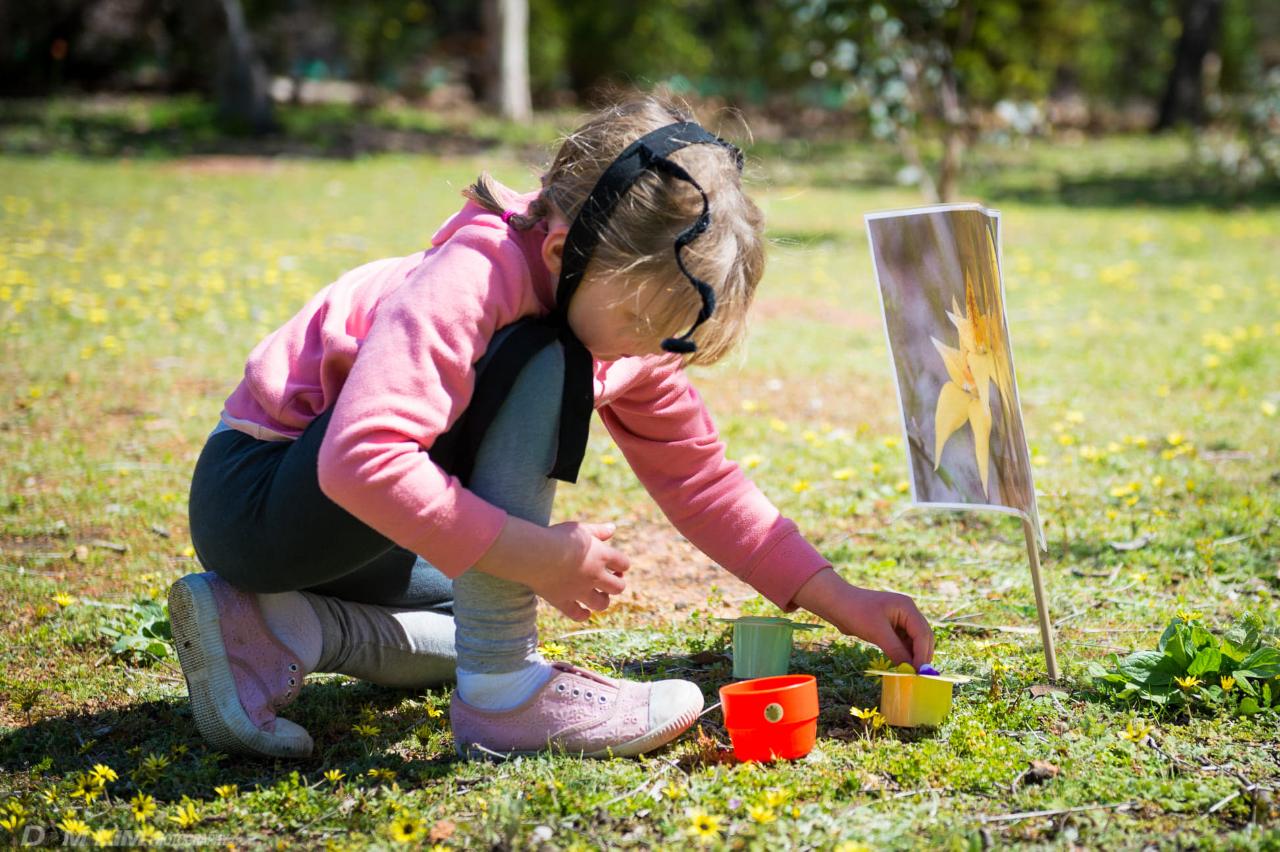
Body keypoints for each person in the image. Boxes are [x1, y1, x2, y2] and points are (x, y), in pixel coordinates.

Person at [169, 91, 934, 762]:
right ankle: (503, 696)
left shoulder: (609, 315)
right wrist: (538, 554)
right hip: (262, 500)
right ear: (567, 249)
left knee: (471, 612)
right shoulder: (477, 278)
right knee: (545, 362)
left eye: (671, 336)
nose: (646, 350)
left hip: (351, 542)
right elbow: (357, 461)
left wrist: (844, 599)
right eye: (640, 320)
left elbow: (703, 482)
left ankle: (278, 628)